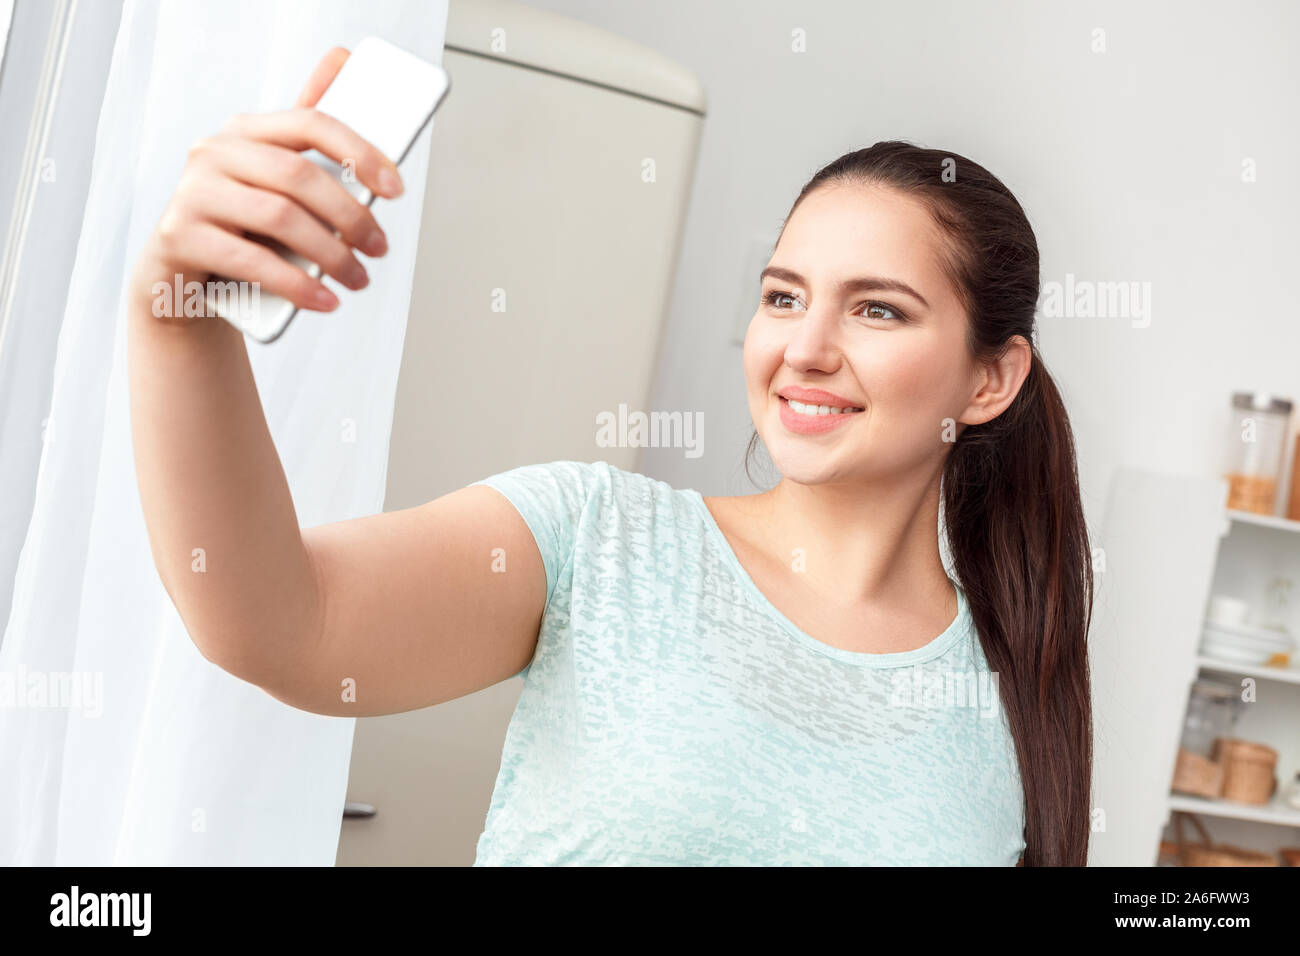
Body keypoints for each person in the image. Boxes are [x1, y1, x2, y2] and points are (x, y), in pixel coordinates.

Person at [128, 48, 1092, 866]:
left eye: (877, 309)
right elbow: (275, 622)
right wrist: (178, 317)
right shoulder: (597, 541)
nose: (804, 348)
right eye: (783, 296)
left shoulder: (1008, 678)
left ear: (990, 380)